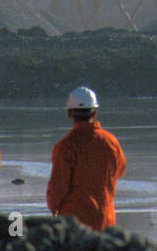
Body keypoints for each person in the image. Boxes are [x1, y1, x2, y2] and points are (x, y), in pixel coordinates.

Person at [46, 86, 126, 231]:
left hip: (75, 224)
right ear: (94, 113)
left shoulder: (66, 146)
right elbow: (120, 170)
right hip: (106, 220)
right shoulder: (111, 142)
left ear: (69, 114)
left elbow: (57, 187)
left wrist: (55, 210)